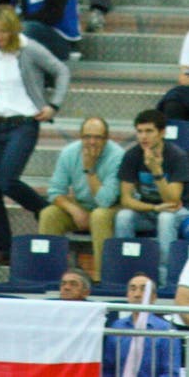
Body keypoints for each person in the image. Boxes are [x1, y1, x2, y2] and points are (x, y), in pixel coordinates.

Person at [0, 4, 70, 266]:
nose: (0, 37)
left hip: (24, 123)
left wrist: (53, 105)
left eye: (4, 31)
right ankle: (4, 248)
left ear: (13, 29)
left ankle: (43, 209)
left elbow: (61, 70)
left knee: (7, 180)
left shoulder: (29, 49)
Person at [38, 116, 125, 282]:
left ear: (106, 139)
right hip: (82, 206)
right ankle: (49, 277)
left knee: (99, 215)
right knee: (49, 214)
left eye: (97, 137)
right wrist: (74, 210)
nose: (92, 142)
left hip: (113, 208)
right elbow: (55, 192)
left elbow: (105, 200)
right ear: (80, 137)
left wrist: (90, 169)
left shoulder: (118, 156)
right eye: (87, 137)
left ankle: (102, 279)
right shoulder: (69, 153)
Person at [115, 109, 189, 285]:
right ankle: (126, 277)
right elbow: (126, 200)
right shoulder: (132, 155)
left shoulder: (177, 157)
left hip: (178, 212)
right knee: (123, 216)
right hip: (148, 210)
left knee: (165, 218)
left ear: (162, 132)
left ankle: (165, 281)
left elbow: (172, 201)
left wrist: (157, 172)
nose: (143, 137)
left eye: (149, 131)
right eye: (139, 131)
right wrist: (153, 208)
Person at [103, 273, 181, 377]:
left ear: (154, 297)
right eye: (132, 289)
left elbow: (170, 372)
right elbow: (108, 369)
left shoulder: (167, 330)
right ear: (127, 295)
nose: (137, 294)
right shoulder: (117, 326)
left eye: (143, 289)